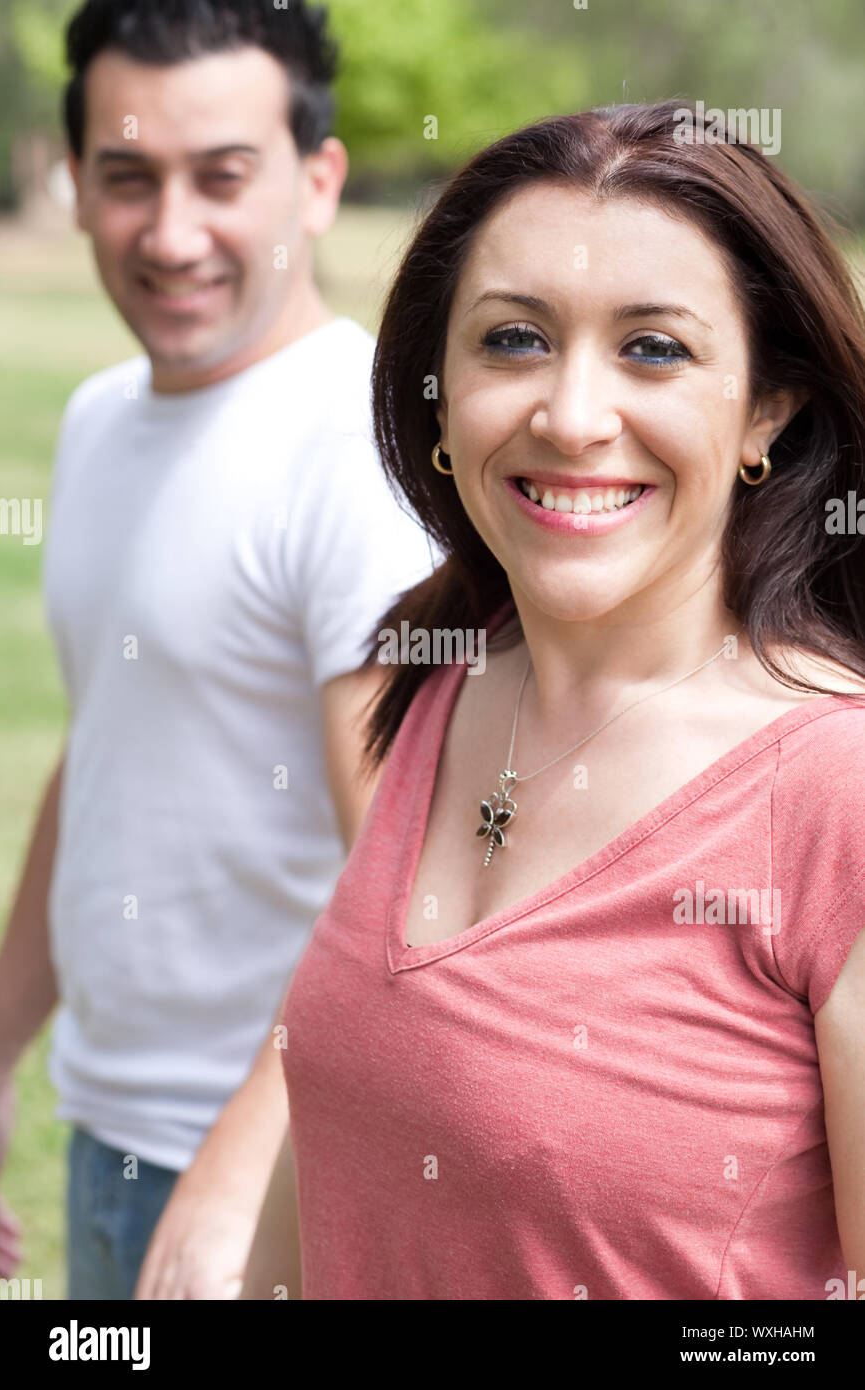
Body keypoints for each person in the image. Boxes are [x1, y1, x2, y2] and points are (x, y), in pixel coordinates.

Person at [241, 100, 865, 1300]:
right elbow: (338, 1153)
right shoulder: (442, 671)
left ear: (767, 407)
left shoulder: (834, 788)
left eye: (653, 349)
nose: (571, 417)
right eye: (514, 340)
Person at [0, 0, 436, 1301]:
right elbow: (111, 748)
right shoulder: (97, 420)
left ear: (317, 178)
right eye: (129, 179)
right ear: (76, 185)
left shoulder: (351, 453)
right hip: (115, 1136)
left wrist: (241, 1171)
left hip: (286, 1173)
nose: (172, 232)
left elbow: (401, 881)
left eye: (222, 177)